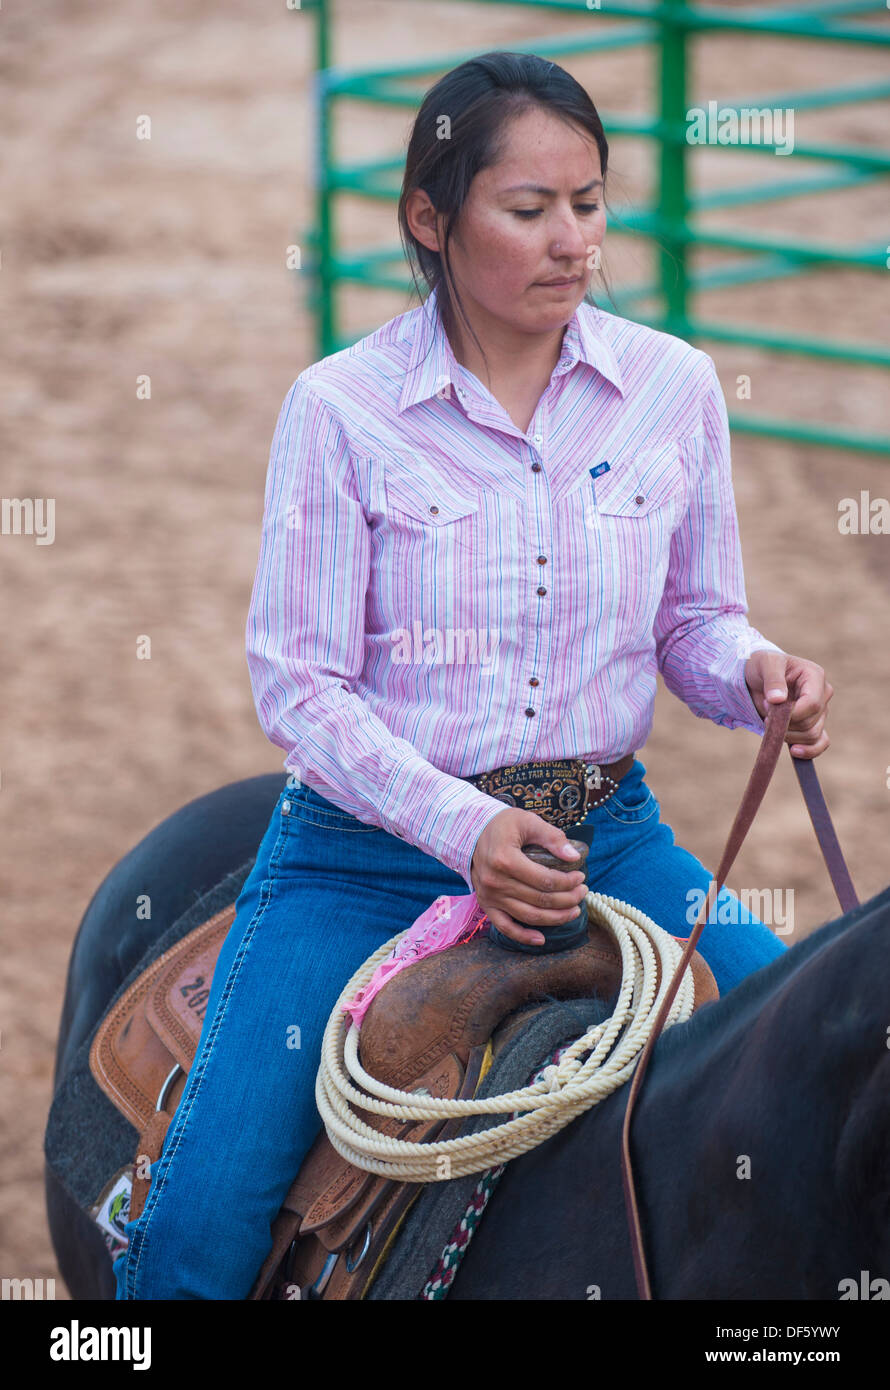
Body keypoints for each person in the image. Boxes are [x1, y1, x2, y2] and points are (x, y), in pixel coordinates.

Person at [114, 51, 832, 1300]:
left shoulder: (669, 388)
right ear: (429, 221)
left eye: (590, 204)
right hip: (362, 855)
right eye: (528, 208)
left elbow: (695, 622)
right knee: (200, 1226)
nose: (573, 243)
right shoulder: (341, 411)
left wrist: (754, 669)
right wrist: (464, 821)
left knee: (821, 1062)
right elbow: (300, 688)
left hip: (604, 841)